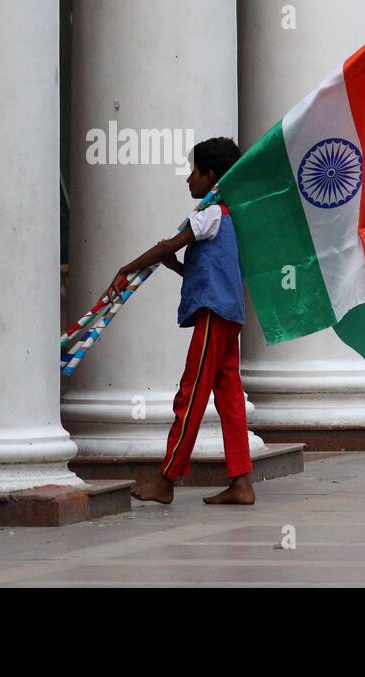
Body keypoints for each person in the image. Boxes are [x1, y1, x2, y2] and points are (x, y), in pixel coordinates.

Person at [108, 137, 254, 506]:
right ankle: (241, 482)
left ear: (211, 176)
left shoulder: (211, 214)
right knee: (230, 398)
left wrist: (127, 268)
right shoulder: (231, 216)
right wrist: (176, 266)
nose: (189, 180)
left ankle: (167, 479)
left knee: (190, 395)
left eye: (195, 172)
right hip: (229, 315)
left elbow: (169, 244)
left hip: (214, 317)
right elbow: (207, 269)